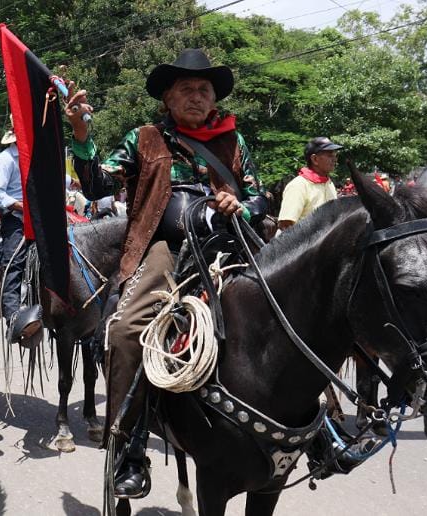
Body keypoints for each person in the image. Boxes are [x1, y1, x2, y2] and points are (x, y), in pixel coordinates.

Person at [65, 48, 269, 498]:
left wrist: (245, 207)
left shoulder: (235, 142)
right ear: (168, 100)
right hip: (166, 248)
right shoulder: (145, 138)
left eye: (204, 90)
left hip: (229, 242)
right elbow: (99, 183)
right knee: (124, 331)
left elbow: (260, 197)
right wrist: (81, 132)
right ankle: (128, 447)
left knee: (296, 301)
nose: (197, 97)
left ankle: (314, 426)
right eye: (186, 90)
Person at [0, 125, 43, 344]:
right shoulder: (6, 159)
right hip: (17, 219)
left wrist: (71, 183)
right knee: (14, 260)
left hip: (41, 216)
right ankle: (13, 316)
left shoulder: (37, 156)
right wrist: (22, 207)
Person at [277, 137, 342, 231]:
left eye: (335, 155)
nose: (335, 159)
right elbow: (286, 225)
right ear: (315, 159)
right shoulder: (298, 186)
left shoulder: (329, 184)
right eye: (330, 155)